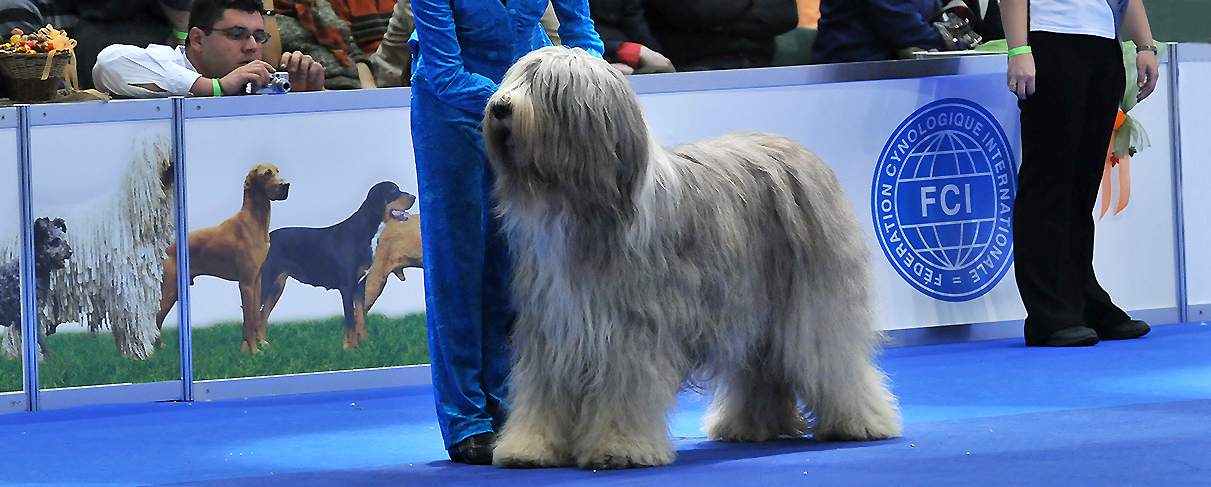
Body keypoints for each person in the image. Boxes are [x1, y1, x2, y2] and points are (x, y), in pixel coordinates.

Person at [408, 0, 603, 465]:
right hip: (453, 108)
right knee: (457, 265)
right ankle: (466, 417)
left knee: (522, 266)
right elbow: (445, 71)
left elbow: (582, 30)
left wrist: (592, 87)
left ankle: (515, 403)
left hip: (536, 108)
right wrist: (530, 101)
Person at [1004, 0, 1157, 346]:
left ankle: (1084, 301)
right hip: (1049, 38)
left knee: (1082, 187)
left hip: (1103, 44)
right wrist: (1018, 48)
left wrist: (1145, 45)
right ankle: (1048, 312)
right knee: (1048, 183)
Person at [92, 0, 324, 97]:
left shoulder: (262, 83)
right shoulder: (170, 61)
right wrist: (216, 87)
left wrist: (306, 99)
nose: (252, 46)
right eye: (237, 35)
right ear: (197, 40)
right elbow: (108, 63)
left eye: (259, 36)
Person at [641, 0, 797, 71]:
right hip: (691, 69)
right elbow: (700, 10)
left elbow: (784, 15)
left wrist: (721, 22)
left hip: (761, 68)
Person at [813, 0, 954, 63]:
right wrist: (954, 44)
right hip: (853, 76)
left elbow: (934, 16)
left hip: (895, 70)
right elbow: (904, 29)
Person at [589, 0, 674, 74]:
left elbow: (635, 24)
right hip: (589, 57)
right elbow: (580, 32)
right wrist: (624, 50)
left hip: (619, 49)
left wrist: (655, 56)